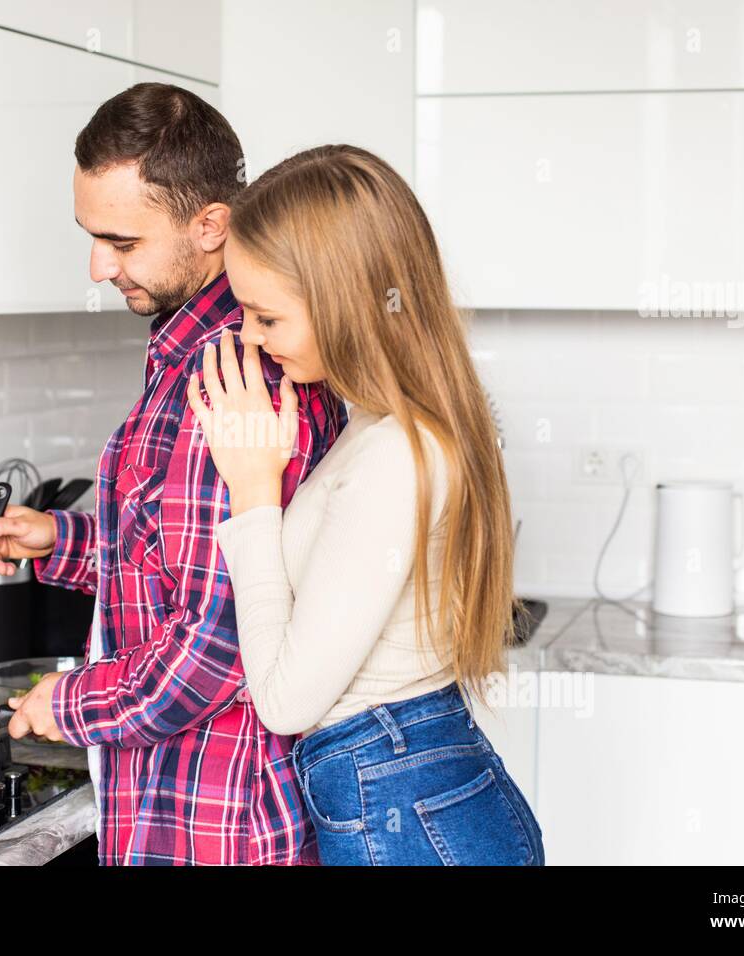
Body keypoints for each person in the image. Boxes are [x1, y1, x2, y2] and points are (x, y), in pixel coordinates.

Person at [0, 84, 346, 865]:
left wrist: (63, 703)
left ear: (211, 226)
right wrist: (60, 542)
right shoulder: (190, 356)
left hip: (221, 827)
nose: (98, 266)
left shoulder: (241, 379)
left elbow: (219, 644)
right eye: (91, 236)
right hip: (184, 811)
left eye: (123, 242)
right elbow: (180, 556)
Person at [184, 144, 545, 865]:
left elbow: (286, 704)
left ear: (345, 305)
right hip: (419, 800)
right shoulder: (380, 426)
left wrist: (254, 491)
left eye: (265, 317)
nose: (248, 337)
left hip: (406, 815)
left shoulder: (395, 456)